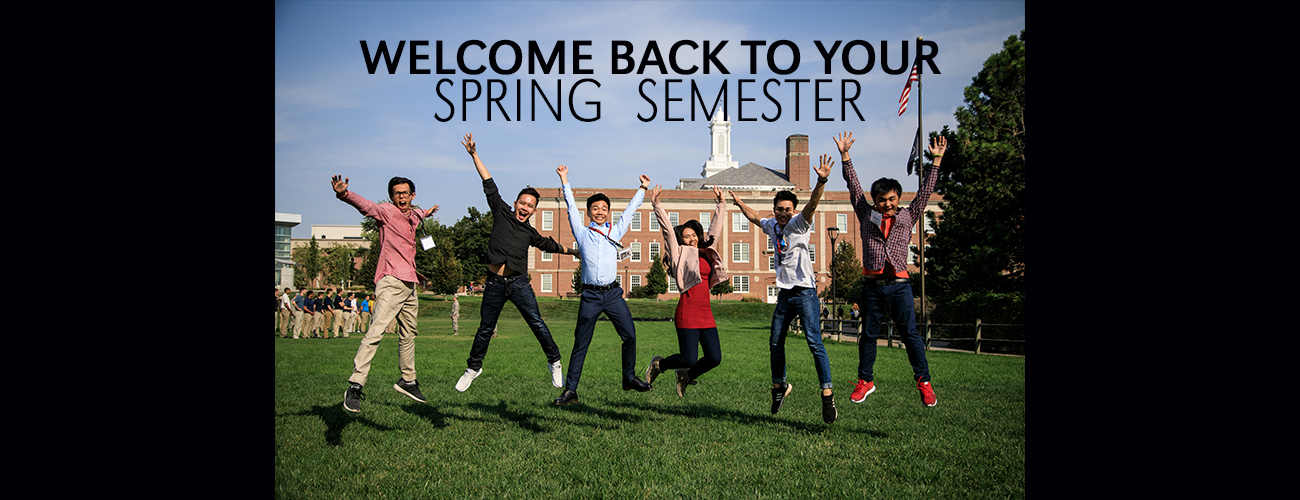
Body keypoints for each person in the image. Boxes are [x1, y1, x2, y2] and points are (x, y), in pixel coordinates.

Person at [454, 133, 579, 393]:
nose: (525, 207)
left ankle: (554, 360)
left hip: (519, 284)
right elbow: (488, 182)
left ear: (534, 211)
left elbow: (550, 245)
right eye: (522, 202)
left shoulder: (530, 233)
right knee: (485, 329)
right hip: (494, 284)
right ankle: (473, 368)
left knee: (537, 323)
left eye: (530, 206)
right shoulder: (501, 211)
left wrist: (574, 251)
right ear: (515, 203)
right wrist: (474, 154)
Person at [835, 131, 944, 408]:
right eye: (883, 200)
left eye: (892, 198)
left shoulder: (909, 214)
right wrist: (845, 157)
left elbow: (925, 192)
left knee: (910, 334)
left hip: (899, 287)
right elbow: (855, 188)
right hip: (872, 287)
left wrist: (936, 161)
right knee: (869, 335)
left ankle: (924, 382)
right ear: (876, 201)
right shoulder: (865, 213)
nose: (888, 204)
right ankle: (865, 381)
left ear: (898, 198)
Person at [730, 153, 838, 424]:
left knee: (814, 341)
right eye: (779, 209)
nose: (783, 213)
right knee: (775, 343)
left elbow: (813, 204)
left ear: (793, 211)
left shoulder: (799, 223)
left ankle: (827, 394)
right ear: (775, 208)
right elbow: (755, 217)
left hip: (805, 292)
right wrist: (738, 202)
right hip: (785, 294)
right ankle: (779, 387)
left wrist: (821, 181)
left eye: (788, 209)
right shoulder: (772, 225)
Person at [333, 173, 439, 413]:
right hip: (391, 280)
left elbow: (418, 213)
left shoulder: (414, 214)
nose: (401, 197)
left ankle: (408, 380)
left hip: (411, 281)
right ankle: (355, 384)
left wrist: (427, 212)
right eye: (397, 193)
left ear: (413, 196)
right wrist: (343, 193)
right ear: (392, 197)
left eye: (405, 193)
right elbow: (366, 206)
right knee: (376, 332)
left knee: (409, 333)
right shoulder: (386, 212)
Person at [552, 164, 653, 406]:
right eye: (595, 208)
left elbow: (630, 211)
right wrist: (565, 178)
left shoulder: (615, 232)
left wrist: (642, 188)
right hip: (590, 297)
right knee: (581, 343)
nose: (600, 212)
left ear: (608, 212)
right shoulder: (582, 232)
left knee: (629, 335)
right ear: (588, 213)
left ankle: (629, 378)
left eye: (604, 209)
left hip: (613, 295)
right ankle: (570, 391)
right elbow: (570, 206)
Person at [643, 185, 728, 397]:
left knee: (714, 358)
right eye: (686, 237)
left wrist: (721, 204)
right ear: (681, 241)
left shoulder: (705, 251)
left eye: (693, 235)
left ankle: (686, 376)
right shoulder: (678, 254)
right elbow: (667, 231)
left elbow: (714, 232)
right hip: (688, 311)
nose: (692, 239)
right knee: (688, 357)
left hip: (705, 313)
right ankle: (659, 365)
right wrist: (657, 205)